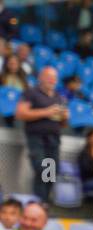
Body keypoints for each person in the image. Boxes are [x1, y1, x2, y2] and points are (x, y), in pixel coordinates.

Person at [15, 66, 68, 205]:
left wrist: (65, 117)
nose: (52, 80)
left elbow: (63, 125)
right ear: (40, 78)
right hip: (36, 138)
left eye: (54, 77)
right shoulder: (31, 93)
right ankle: (40, 203)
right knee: (42, 168)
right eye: (49, 77)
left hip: (54, 139)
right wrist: (47, 112)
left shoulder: (59, 97)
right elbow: (20, 113)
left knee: (51, 173)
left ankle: (42, 203)